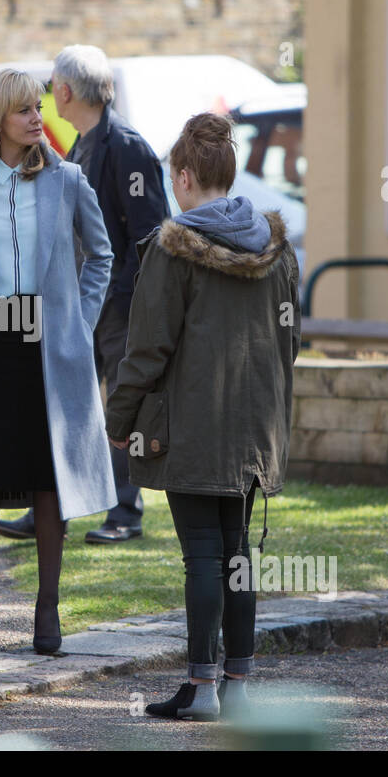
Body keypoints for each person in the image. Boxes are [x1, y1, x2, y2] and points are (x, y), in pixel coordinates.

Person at [106, 113, 300, 720]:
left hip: (189, 425)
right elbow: (291, 338)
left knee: (203, 556)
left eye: (173, 178)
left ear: (185, 177)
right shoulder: (276, 248)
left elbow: (146, 348)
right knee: (238, 551)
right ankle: (237, 686)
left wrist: (119, 419)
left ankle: (202, 687)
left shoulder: (173, 251)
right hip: (254, 428)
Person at [0, 68, 114, 655]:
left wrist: (78, 325)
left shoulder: (69, 180)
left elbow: (102, 255)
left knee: (46, 481)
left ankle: (47, 609)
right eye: (25, 111)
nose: (39, 118)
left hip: (48, 346)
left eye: (39, 107)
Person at [0, 45, 168, 545]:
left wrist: (130, 305)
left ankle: (126, 512)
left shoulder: (127, 148)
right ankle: (50, 507)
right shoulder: (81, 145)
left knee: (120, 404)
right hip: (78, 306)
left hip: (117, 307)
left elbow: (150, 238)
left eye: (52, 87)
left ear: (67, 91)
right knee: (63, 402)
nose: (49, 97)